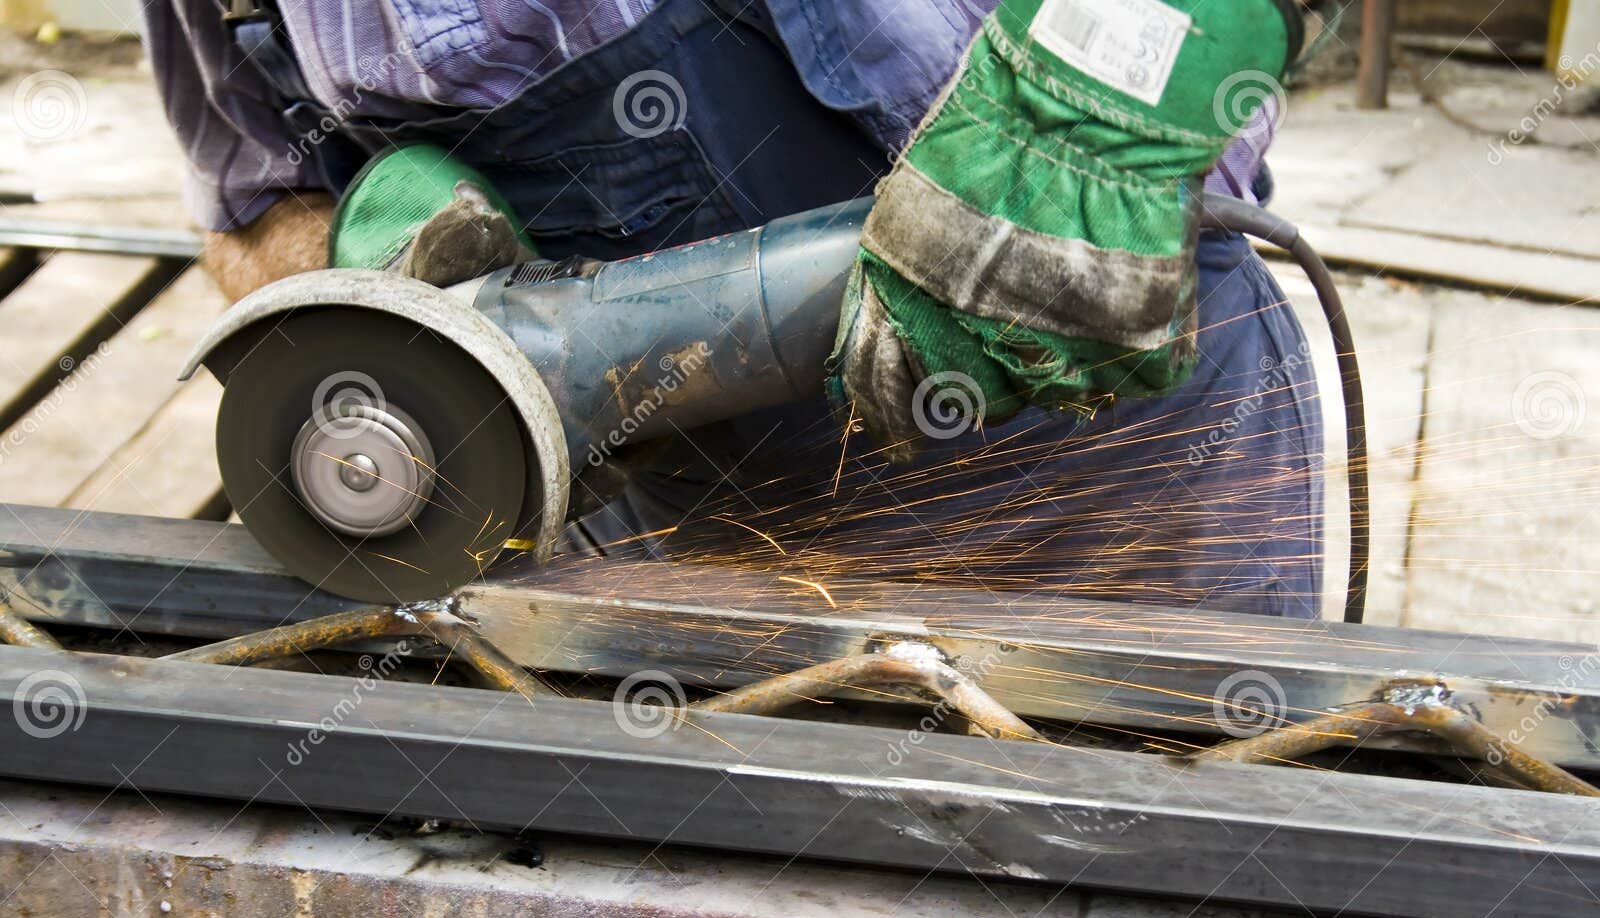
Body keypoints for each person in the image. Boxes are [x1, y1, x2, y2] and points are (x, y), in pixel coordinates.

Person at [145, 0, 1327, 618]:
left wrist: (1125, 79)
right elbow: (252, 202)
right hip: (661, 531)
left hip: (1102, 465)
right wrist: (354, 245)